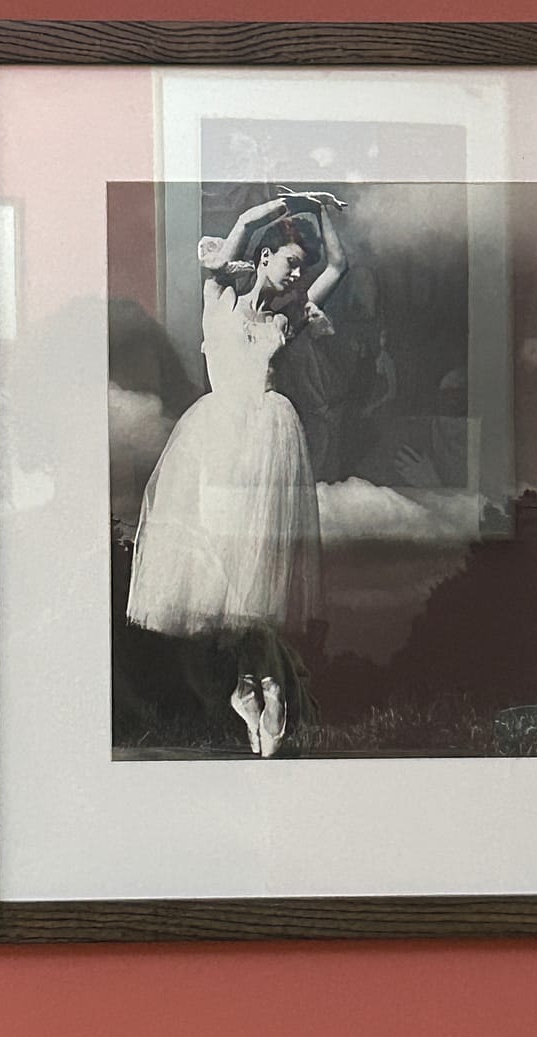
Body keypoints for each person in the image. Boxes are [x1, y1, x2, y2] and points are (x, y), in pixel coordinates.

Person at [126, 189, 348, 756]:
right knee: (226, 568)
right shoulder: (218, 294)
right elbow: (243, 230)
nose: (297, 274)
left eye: (301, 269)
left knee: (254, 582)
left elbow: (340, 266)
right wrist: (292, 203)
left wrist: (321, 215)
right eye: (290, 262)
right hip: (215, 437)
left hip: (267, 439)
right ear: (267, 258)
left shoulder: (290, 318)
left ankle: (260, 687)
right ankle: (257, 686)